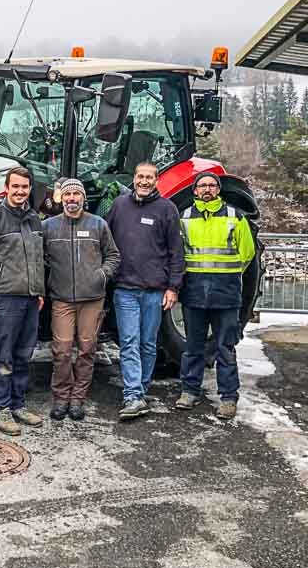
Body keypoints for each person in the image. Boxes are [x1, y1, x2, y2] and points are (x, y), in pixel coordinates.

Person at [106, 162, 184, 421]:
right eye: (140, 176)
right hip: (124, 289)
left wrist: (173, 287)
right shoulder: (119, 205)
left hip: (154, 290)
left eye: (149, 177)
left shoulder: (167, 209)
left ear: (156, 180)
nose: (144, 181)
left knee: (148, 344)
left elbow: (176, 252)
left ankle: (140, 388)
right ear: (134, 178)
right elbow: (104, 239)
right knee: (129, 342)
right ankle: (132, 396)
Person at [175, 171, 256, 420]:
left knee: (225, 347)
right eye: (202, 186)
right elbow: (178, 253)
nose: (207, 189)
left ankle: (229, 397)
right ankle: (189, 391)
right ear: (195, 191)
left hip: (225, 293)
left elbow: (247, 253)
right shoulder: (184, 218)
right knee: (193, 346)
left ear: (218, 190)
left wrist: (226, 275)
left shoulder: (235, 216)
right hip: (194, 292)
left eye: (212, 185)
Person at [0, 166, 46, 436]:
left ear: (29, 189)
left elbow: (38, 259)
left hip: (30, 299)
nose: (20, 191)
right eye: (15, 186)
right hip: (4, 299)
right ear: (6, 188)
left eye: (24, 187)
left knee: (24, 355)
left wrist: (39, 291)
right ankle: (1, 408)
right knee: (3, 356)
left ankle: (18, 404)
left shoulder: (34, 219)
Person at [43, 178, 120, 421]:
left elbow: (113, 255)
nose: (72, 198)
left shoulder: (98, 224)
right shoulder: (48, 226)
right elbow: (37, 256)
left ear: (83, 198)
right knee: (62, 350)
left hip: (92, 298)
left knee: (87, 349)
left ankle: (77, 398)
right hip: (62, 299)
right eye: (68, 194)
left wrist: (102, 275)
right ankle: (61, 397)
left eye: (76, 194)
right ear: (62, 198)